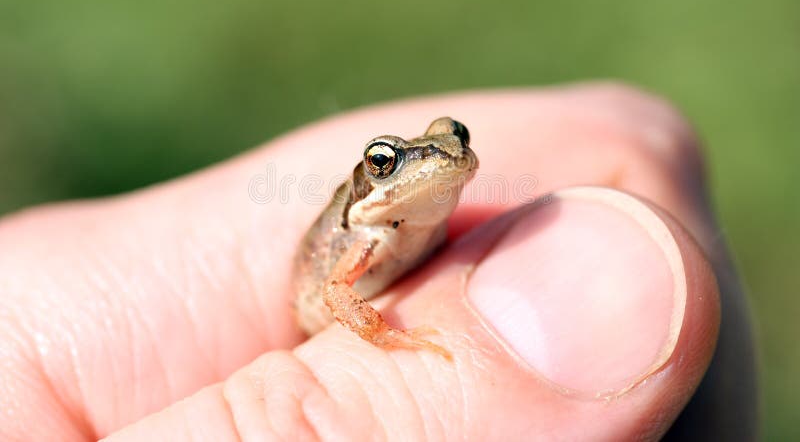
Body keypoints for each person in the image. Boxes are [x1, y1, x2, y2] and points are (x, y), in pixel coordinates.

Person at [0, 84, 757, 440]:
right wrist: (394, 345)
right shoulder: (368, 231)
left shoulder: (437, 209)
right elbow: (335, 295)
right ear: (373, 180)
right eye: (390, 162)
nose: (437, 159)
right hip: (306, 312)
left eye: (453, 141)